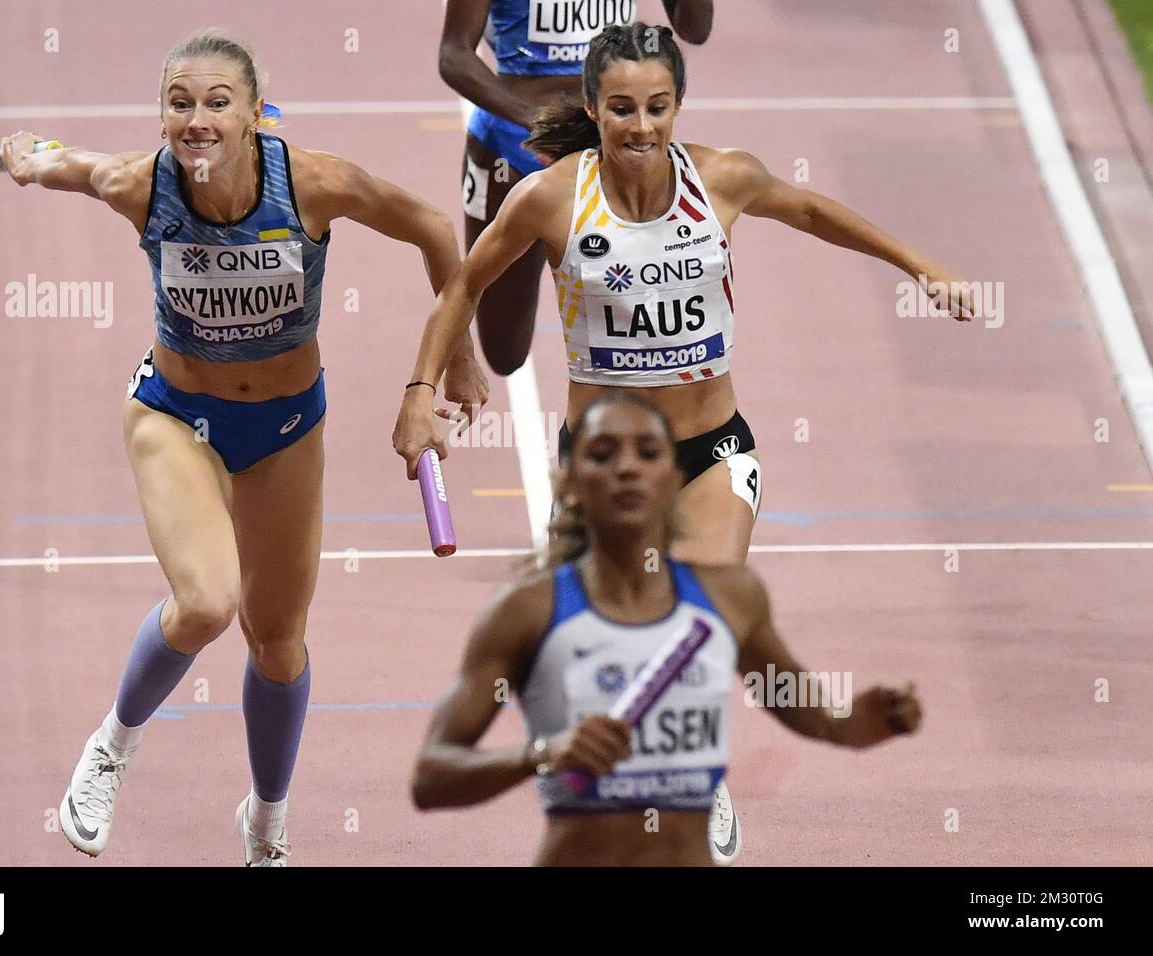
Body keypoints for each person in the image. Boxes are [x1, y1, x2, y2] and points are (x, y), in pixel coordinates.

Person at [394, 21, 970, 863]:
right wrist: (422, 392)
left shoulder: (724, 177)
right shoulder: (552, 195)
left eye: (657, 107)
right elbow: (464, 285)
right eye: (621, 108)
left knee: (696, 608)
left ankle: (701, 781)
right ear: (591, 106)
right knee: (597, 637)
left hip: (710, 455)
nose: (640, 127)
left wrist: (921, 266)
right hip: (599, 469)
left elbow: (813, 211)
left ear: (678, 106)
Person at [0, 29, 487, 866]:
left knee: (279, 639)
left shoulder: (313, 185)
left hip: (289, 426)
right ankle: (113, 745)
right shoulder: (136, 186)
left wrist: (455, 365)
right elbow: (65, 164)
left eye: (218, 104)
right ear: (161, 119)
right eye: (181, 104)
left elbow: (436, 229)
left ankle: (265, 823)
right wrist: (26, 155)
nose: (198, 120)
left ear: (257, 115)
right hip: (175, 416)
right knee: (205, 605)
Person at [410, 392, 922, 866]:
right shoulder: (527, 611)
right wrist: (539, 754)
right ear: (570, 481)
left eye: (647, 452)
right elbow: (432, 776)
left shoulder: (730, 598)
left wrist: (857, 723)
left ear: (674, 476)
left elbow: (823, 720)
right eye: (604, 453)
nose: (627, 467)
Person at [440, 0, 713, 375]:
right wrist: (541, 123)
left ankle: (614, 422)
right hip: (514, 146)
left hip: (614, 146)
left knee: (633, 335)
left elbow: (695, 28)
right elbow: (453, 55)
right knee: (504, 352)